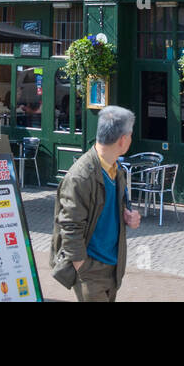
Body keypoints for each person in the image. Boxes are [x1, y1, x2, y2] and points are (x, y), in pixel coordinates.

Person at [51, 105, 141, 302]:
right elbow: (70, 224)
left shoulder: (116, 170)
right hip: (90, 270)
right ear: (123, 139)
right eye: (131, 135)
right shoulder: (81, 176)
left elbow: (108, 208)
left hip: (112, 266)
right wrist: (80, 265)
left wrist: (128, 215)